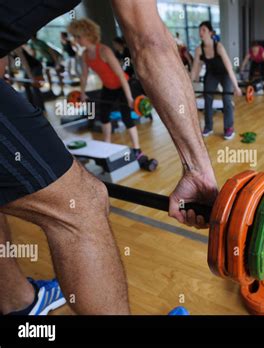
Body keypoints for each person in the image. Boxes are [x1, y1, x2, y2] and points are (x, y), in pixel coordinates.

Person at [0, 0, 217, 315]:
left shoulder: (103, 51)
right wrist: (198, 170)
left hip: (119, 90)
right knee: (82, 205)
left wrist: (131, 100)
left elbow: (148, 45)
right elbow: (150, 41)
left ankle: (17, 304)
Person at [68, 19, 145, 156]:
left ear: (88, 35)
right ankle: (107, 145)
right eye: (75, 37)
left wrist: (128, 97)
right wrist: (83, 93)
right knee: (103, 115)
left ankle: (137, 149)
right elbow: (84, 76)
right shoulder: (85, 54)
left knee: (126, 117)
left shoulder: (104, 51)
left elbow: (121, 75)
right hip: (108, 87)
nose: (76, 40)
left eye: (78, 36)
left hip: (123, 85)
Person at [191, 21, 241, 139]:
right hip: (211, 74)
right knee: (207, 98)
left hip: (224, 74)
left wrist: (236, 87)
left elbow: (229, 67)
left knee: (226, 98)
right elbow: (194, 70)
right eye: (200, 30)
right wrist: (188, 86)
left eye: (203, 30)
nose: (200, 32)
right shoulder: (199, 49)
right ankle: (208, 126)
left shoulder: (219, 47)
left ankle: (229, 128)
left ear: (210, 32)